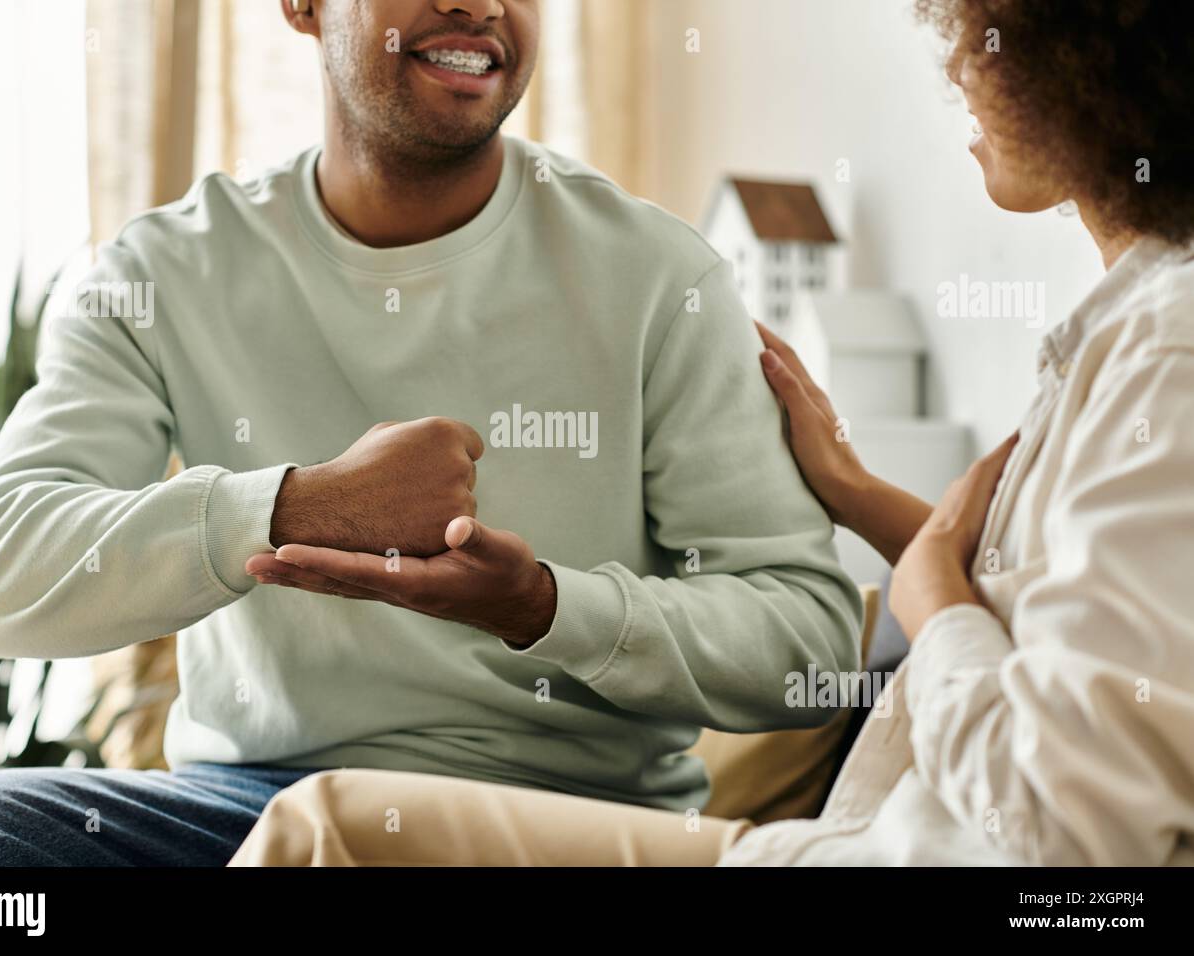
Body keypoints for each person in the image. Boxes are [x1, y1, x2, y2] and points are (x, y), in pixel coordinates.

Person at [229, 0, 1194, 867]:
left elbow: (1059, 831)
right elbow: (1063, 611)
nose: (961, 68)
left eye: (996, 36)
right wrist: (861, 498)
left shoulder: (1167, 345)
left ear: (1092, 64)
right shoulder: (1135, 332)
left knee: (326, 832)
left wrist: (933, 601)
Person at [0, 0, 860, 866]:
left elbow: (809, 649)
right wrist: (293, 509)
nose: (477, 6)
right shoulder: (161, 273)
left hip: (561, 822)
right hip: (247, 810)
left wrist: (545, 607)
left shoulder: (660, 277)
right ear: (302, 7)